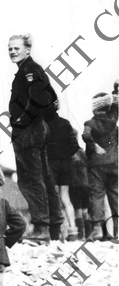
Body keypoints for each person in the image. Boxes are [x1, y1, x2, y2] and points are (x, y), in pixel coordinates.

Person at [7, 34, 63, 244]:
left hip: (29, 130)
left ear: (27, 50)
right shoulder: (34, 69)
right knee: (44, 177)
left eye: (16, 48)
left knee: (31, 179)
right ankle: (53, 226)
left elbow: (41, 98)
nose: (12, 51)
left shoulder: (29, 69)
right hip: (38, 128)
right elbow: (52, 100)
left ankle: (41, 228)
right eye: (10, 48)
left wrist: (23, 120)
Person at [83, 87, 118, 241]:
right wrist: (116, 89)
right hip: (114, 165)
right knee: (115, 196)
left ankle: (97, 229)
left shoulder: (90, 123)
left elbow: (86, 135)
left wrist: (94, 146)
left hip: (96, 165)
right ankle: (117, 231)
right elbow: (117, 105)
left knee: (96, 196)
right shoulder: (113, 122)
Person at [45, 101, 80, 241]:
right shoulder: (65, 123)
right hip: (66, 163)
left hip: (50, 164)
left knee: (52, 197)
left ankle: (58, 231)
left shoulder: (43, 125)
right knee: (66, 197)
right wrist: (65, 155)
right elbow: (74, 146)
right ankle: (73, 231)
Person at [70, 147, 90, 241]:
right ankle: (89, 234)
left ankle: (81, 235)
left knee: (78, 211)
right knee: (85, 210)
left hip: (74, 185)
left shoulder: (69, 153)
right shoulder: (82, 151)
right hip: (85, 184)